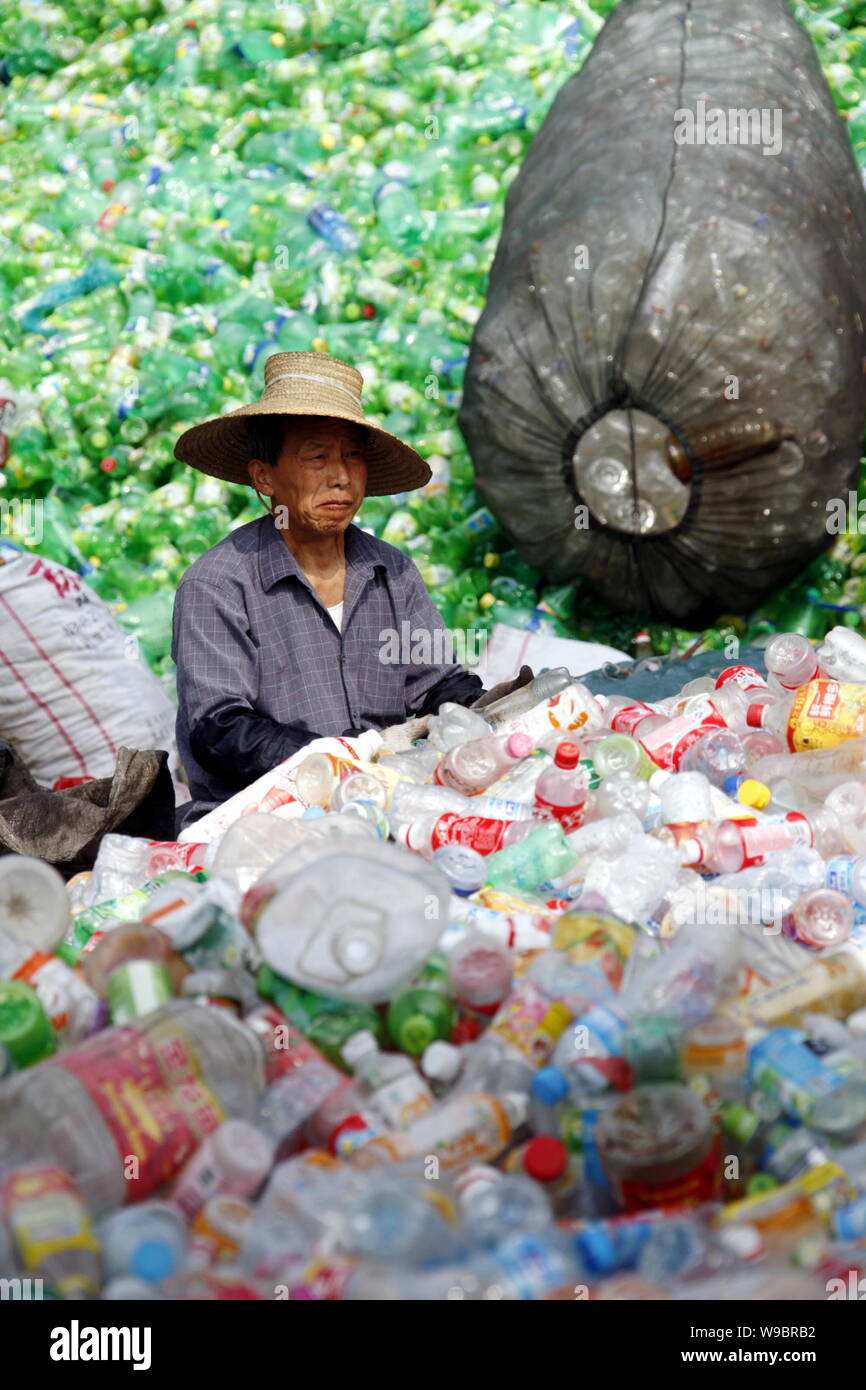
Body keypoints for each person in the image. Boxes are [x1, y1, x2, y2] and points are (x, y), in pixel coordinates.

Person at [171, 351, 531, 829]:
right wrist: (341, 763)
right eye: (316, 457)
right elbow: (220, 730)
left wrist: (496, 717)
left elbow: (438, 686)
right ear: (264, 476)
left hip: (382, 805)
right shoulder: (217, 585)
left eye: (352, 457)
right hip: (261, 822)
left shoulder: (390, 571)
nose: (340, 477)